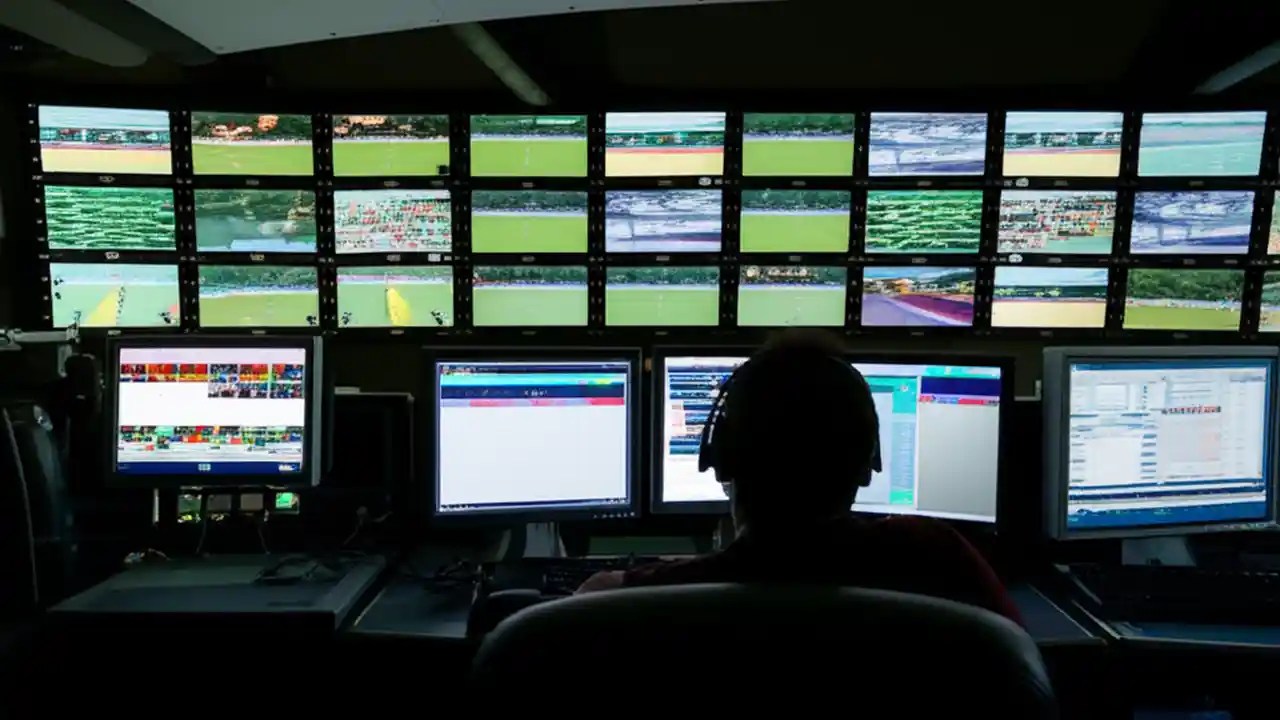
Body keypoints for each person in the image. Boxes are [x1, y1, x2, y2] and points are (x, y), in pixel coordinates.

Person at [577, 330, 1021, 624]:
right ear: (869, 464)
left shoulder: (634, 601)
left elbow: (585, 603)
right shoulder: (941, 556)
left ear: (723, 458)